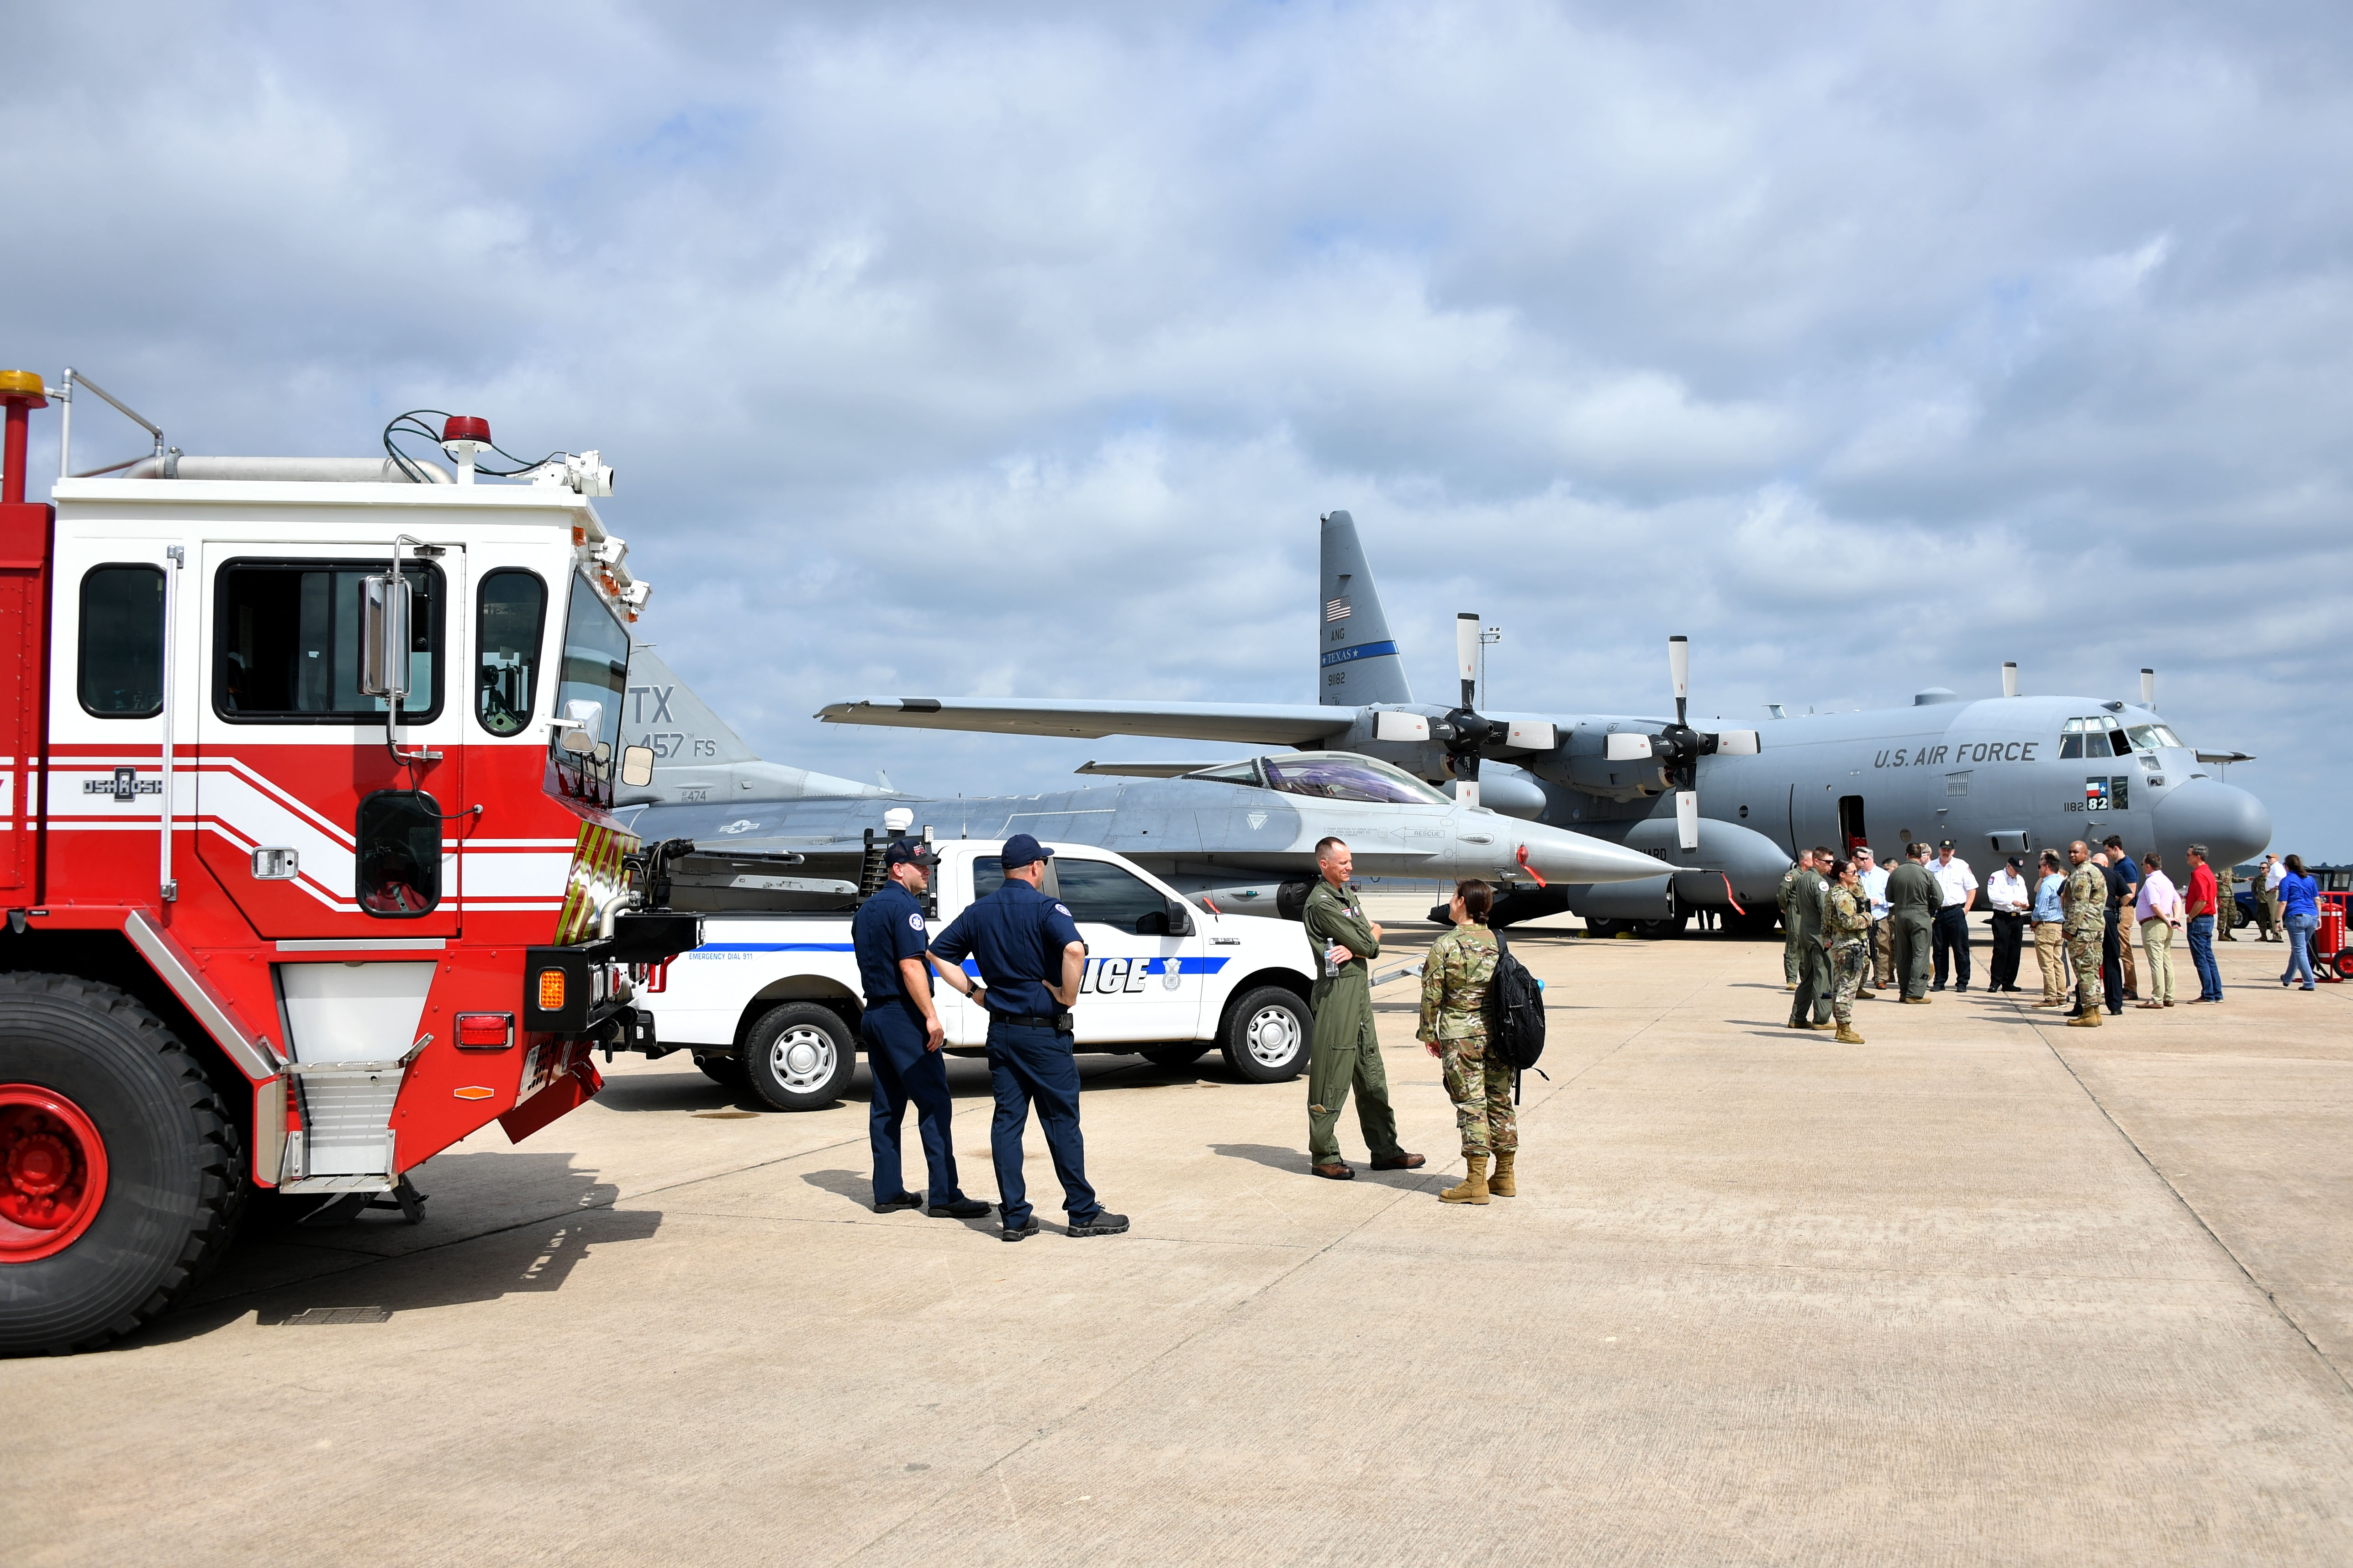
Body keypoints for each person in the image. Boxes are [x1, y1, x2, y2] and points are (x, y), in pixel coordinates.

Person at [927, 833, 1127, 1242]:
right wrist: (1066, 996)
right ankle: (1082, 1213)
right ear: (1036, 868)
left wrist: (975, 993)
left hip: (1001, 1032)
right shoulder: (1046, 908)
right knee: (1061, 1122)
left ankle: (1015, 1217)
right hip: (1044, 1036)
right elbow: (1074, 951)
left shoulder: (979, 911)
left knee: (1007, 1123)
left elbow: (937, 953)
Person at [852, 842, 995, 1220]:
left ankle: (887, 1191)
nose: (927, 872)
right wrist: (930, 1017)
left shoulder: (867, 909)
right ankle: (945, 1194)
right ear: (899, 870)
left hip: (876, 1014)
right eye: (921, 867)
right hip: (903, 1017)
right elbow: (911, 967)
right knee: (934, 1102)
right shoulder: (905, 908)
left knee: (886, 1105)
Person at [1303, 837, 1424, 1180]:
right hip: (1337, 998)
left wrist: (1364, 941)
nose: (1350, 867)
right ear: (1324, 864)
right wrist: (1364, 942)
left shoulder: (1347, 895)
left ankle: (1386, 1150)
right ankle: (1324, 1155)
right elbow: (1369, 942)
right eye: (1342, 863)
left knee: (1372, 1076)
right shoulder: (1322, 902)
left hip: (1358, 996)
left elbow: (1372, 932)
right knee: (1331, 1078)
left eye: (1350, 861)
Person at [1418, 879, 1511, 1204]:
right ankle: (1505, 1175)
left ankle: (1475, 1182)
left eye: (1455, 896)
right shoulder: (1499, 941)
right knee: (1499, 1101)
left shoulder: (1445, 945)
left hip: (1461, 1037)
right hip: (1499, 1037)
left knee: (1472, 1106)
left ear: (1461, 902)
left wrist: (1429, 1034)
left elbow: (1432, 996)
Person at [1823, 858, 1873, 1043]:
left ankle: (1840, 1027)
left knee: (1839, 986)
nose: (1857, 876)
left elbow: (1825, 922)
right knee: (1848, 988)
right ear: (1842, 875)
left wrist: (1827, 939)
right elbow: (1848, 922)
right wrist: (1867, 918)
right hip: (1850, 947)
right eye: (1853, 873)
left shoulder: (1834, 893)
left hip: (1840, 946)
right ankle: (1844, 1028)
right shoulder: (1843, 897)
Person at [2060, 840, 2107, 1027]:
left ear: (2085, 854)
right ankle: (2095, 1012)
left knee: (2084, 971)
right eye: (2070, 852)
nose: (2072, 855)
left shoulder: (2081, 874)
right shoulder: (2096, 871)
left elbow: (2079, 906)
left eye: (2076, 852)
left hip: (2084, 930)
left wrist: (2070, 930)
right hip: (2096, 928)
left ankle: (2088, 1013)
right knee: (2093, 970)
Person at [1787, 846, 1834, 1030]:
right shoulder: (1819, 882)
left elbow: (1797, 906)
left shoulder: (1802, 879)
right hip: (1818, 936)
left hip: (1806, 932)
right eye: (1827, 862)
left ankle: (1798, 1017)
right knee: (1823, 975)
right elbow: (1826, 911)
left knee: (1809, 977)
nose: (1830, 866)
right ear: (1816, 861)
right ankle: (1821, 1018)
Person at [1887, 842, 1940, 1003]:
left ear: (1907, 855)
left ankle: (1903, 991)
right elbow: (1939, 899)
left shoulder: (1895, 874)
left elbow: (1889, 898)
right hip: (1921, 915)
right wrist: (1926, 907)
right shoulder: (1927, 874)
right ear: (1920, 856)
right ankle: (1915, 993)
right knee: (1920, 955)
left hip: (1901, 915)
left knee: (1903, 955)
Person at [2134, 852, 2183, 1009]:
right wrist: (2175, 918)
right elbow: (2177, 900)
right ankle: (2169, 995)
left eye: (2143, 865)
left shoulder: (2151, 882)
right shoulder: (2166, 881)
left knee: (2156, 962)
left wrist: (2167, 920)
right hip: (2165, 924)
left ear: (2148, 866)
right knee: (2166, 961)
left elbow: (2155, 905)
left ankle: (2157, 998)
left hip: (2154, 925)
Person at [1929, 840, 1978, 992]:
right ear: (1939, 850)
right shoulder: (1930, 867)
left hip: (1956, 912)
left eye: (1949, 850)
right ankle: (1940, 981)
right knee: (1939, 949)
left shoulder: (1961, 866)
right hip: (1938, 913)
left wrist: (1966, 909)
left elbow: (1972, 888)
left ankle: (1963, 982)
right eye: (1943, 849)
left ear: (1953, 852)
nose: (1946, 852)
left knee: (1960, 948)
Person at [2181, 844, 2223, 1003]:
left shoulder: (2199, 874)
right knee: (2208, 956)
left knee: (2201, 959)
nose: (2187, 857)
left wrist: (2191, 916)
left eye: (2189, 854)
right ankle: (2216, 992)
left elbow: (2202, 900)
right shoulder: (2208, 873)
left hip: (2200, 919)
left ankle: (2208, 994)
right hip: (2208, 919)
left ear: (2197, 857)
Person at [2101, 835, 2141, 1000]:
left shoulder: (2127, 866)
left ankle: (2131, 988)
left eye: (2108, 851)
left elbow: (2130, 893)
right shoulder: (2119, 865)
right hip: (2118, 910)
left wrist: (2113, 898)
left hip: (2124, 910)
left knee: (2124, 949)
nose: (2107, 854)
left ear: (2116, 849)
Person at [1985, 855, 2031, 993]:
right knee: (2001, 950)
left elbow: (2024, 896)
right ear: (2009, 866)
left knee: (2015, 952)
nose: (2017, 873)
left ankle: (2009, 982)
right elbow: (1993, 896)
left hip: (2016, 918)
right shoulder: (1997, 877)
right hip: (2002, 917)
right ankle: (1995, 981)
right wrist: (2011, 901)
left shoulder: (2020, 880)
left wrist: (2025, 904)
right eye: (2015, 869)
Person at [2030, 850, 2069, 1006]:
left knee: (2047, 964)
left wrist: (2033, 923)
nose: (2039, 869)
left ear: (2047, 867)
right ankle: (2061, 995)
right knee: (2058, 962)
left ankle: (2051, 997)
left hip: (2046, 927)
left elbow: (2040, 910)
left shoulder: (2047, 885)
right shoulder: (2061, 882)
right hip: (2059, 926)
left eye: (2040, 866)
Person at [2276, 853, 2321, 991]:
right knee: (2298, 948)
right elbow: (2317, 900)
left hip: (2297, 917)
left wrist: (2277, 920)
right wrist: (2319, 917)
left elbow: (2283, 902)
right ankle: (2288, 977)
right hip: (2312, 917)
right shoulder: (2310, 879)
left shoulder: (2287, 881)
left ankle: (2309, 982)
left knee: (2300, 950)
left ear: (2286, 867)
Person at [1856, 847, 1894, 990]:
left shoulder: (1884, 876)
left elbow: (1892, 898)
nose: (1863, 863)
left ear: (1872, 859)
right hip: (1862, 919)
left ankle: (1881, 978)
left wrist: (1880, 901)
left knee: (1882, 949)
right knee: (1862, 950)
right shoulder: (1856, 876)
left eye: (1865, 859)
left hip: (1880, 917)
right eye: (1860, 860)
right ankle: (1861, 980)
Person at [1776, 851, 1813, 990]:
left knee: (1805, 945)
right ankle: (1791, 979)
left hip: (1808, 914)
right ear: (1805, 861)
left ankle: (1805, 978)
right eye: (1812, 860)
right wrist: (1785, 907)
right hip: (1796, 912)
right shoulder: (1793, 876)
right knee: (1794, 944)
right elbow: (1782, 893)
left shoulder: (1810, 876)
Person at [2259, 854, 2285, 942]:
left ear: (2276, 859)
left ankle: (2277, 935)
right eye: (2269, 858)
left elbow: (2281, 877)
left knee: (2275, 914)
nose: (2269, 860)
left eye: (2271, 858)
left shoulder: (2276, 867)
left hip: (2274, 894)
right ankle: (2277, 933)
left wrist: (2276, 887)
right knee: (2275, 914)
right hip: (2272, 893)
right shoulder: (2274, 867)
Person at [2216, 858, 2239, 942]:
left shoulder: (2229, 868)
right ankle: (2221, 934)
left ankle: (2228, 932)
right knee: (2223, 915)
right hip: (2222, 894)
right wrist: (2221, 881)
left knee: (2233, 914)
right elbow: (2213, 880)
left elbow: (2232, 879)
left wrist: (2244, 880)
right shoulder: (2218, 868)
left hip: (2230, 894)